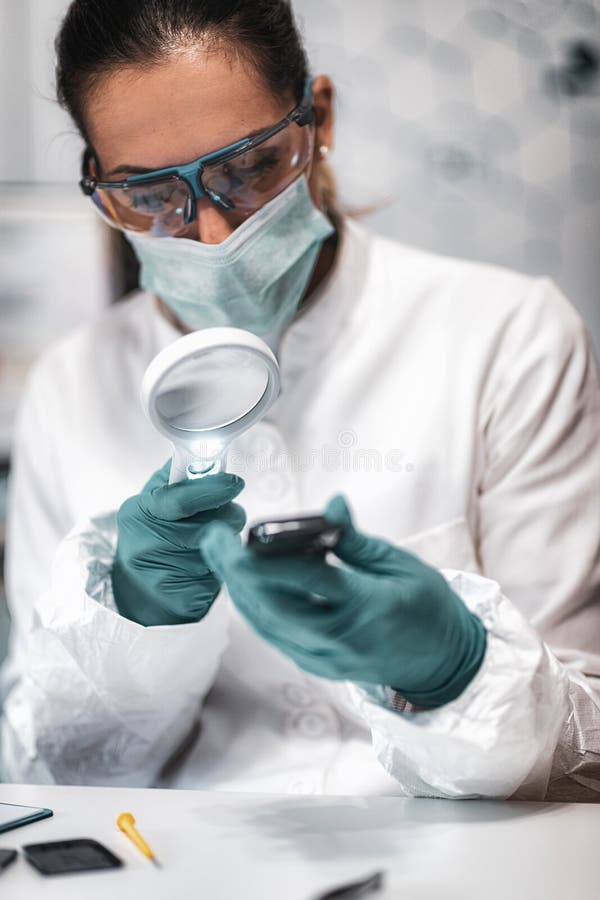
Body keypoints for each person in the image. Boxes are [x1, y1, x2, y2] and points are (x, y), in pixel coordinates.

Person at [1, 0, 599, 801]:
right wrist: (129, 624)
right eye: (149, 193)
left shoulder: (507, 335)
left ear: (316, 118)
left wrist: (456, 666)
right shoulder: (70, 386)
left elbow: (580, 752)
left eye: (246, 169)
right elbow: (47, 774)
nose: (212, 236)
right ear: (100, 185)